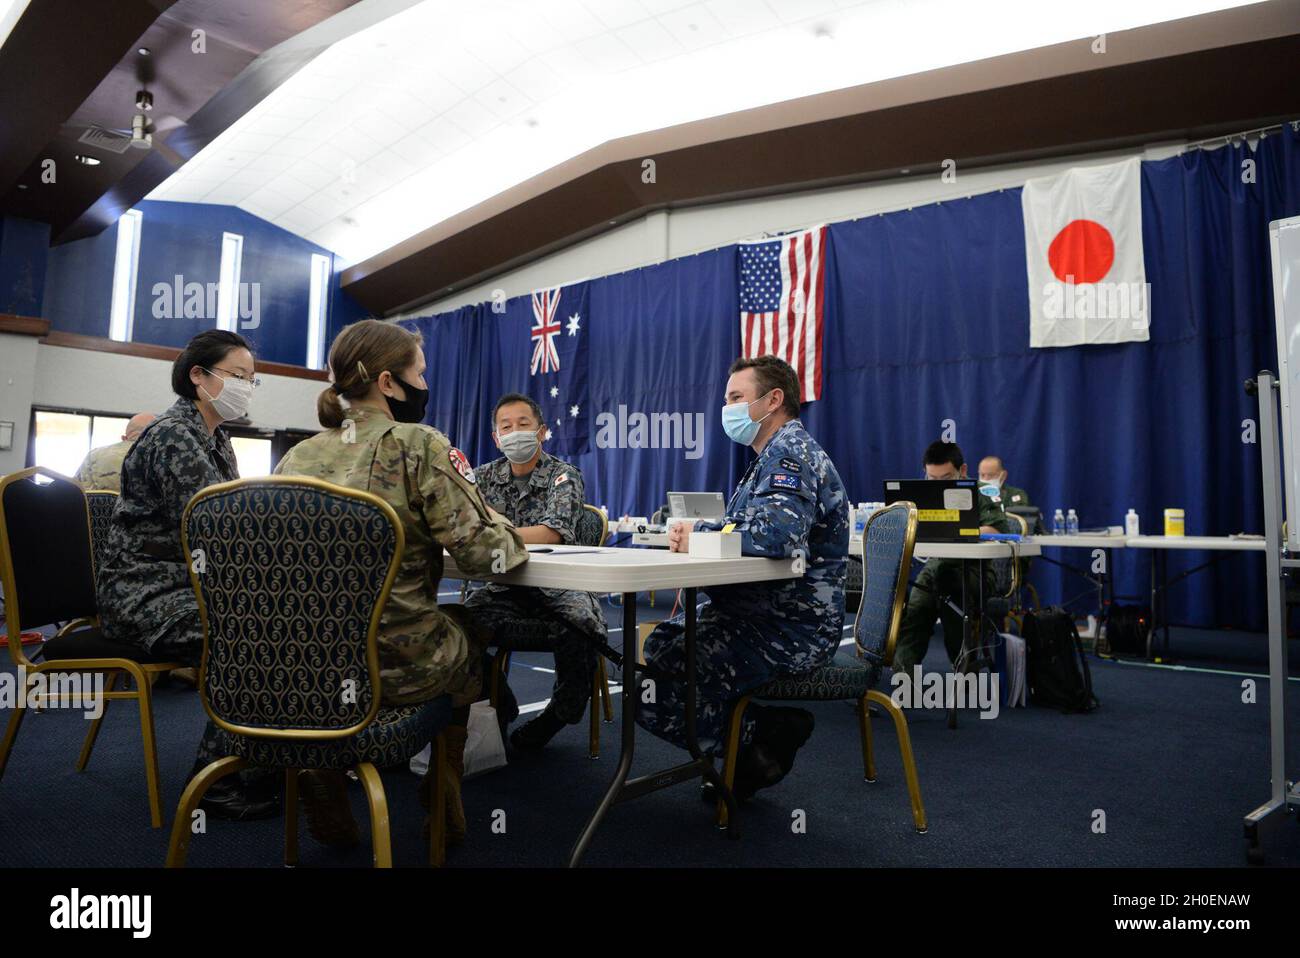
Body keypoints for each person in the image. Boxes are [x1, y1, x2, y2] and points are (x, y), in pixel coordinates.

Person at [275, 320, 528, 848]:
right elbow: (489, 557)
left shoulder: (297, 458)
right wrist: (498, 522)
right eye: (420, 372)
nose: (425, 384)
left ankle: (322, 771)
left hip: (300, 666)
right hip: (394, 666)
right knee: (469, 626)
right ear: (389, 382)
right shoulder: (418, 445)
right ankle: (443, 784)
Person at [636, 355, 849, 800]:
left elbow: (775, 537)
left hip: (791, 626)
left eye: (736, 397)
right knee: (659, 645)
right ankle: (746, 754)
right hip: (758, 613)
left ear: (773, 400)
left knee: (652, 692)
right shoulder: (770, 455)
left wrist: (700, 531)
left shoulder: (790, 454)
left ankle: (761, 736)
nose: (727, 408)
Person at [96, 330, 275, 820]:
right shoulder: (175, 434)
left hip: (185, 586)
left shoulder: (214, 436)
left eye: (251, 381)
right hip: (145, 595)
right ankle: (214, 778)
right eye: (238, 377)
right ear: (198, 376)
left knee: (272, 622)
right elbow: (215, 528)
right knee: (251, 634)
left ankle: (262, 759)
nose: (246, 388)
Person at [464, 393, 608, 751]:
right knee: (453, 626)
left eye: (523, 424)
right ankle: (503, 699)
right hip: (505, 588)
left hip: (560, 586)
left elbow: (551, 533)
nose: (515, 432)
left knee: (584, 626)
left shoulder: (564, 475)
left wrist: (493, 531)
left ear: (541, 432)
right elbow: (463, 529)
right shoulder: (481, 478)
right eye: (506, 427)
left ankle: (558, 715)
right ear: (496, 438)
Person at [892, 441, 1011, 676]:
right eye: (932, 479)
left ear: (962, 471)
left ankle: (964, 671)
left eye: (945, 478)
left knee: (953, 598)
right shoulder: (918, 499)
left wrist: (963, 532)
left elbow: (997, 528)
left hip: (975, 570)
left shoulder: (982, 494)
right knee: (917, 608)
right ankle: (902, 676)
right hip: (935, 568)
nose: (937, 485)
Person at [73, 413, 156, 491]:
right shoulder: (160, 458)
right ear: (156, 438)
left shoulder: (94, 455)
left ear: (124, 438)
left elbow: (77, 491)